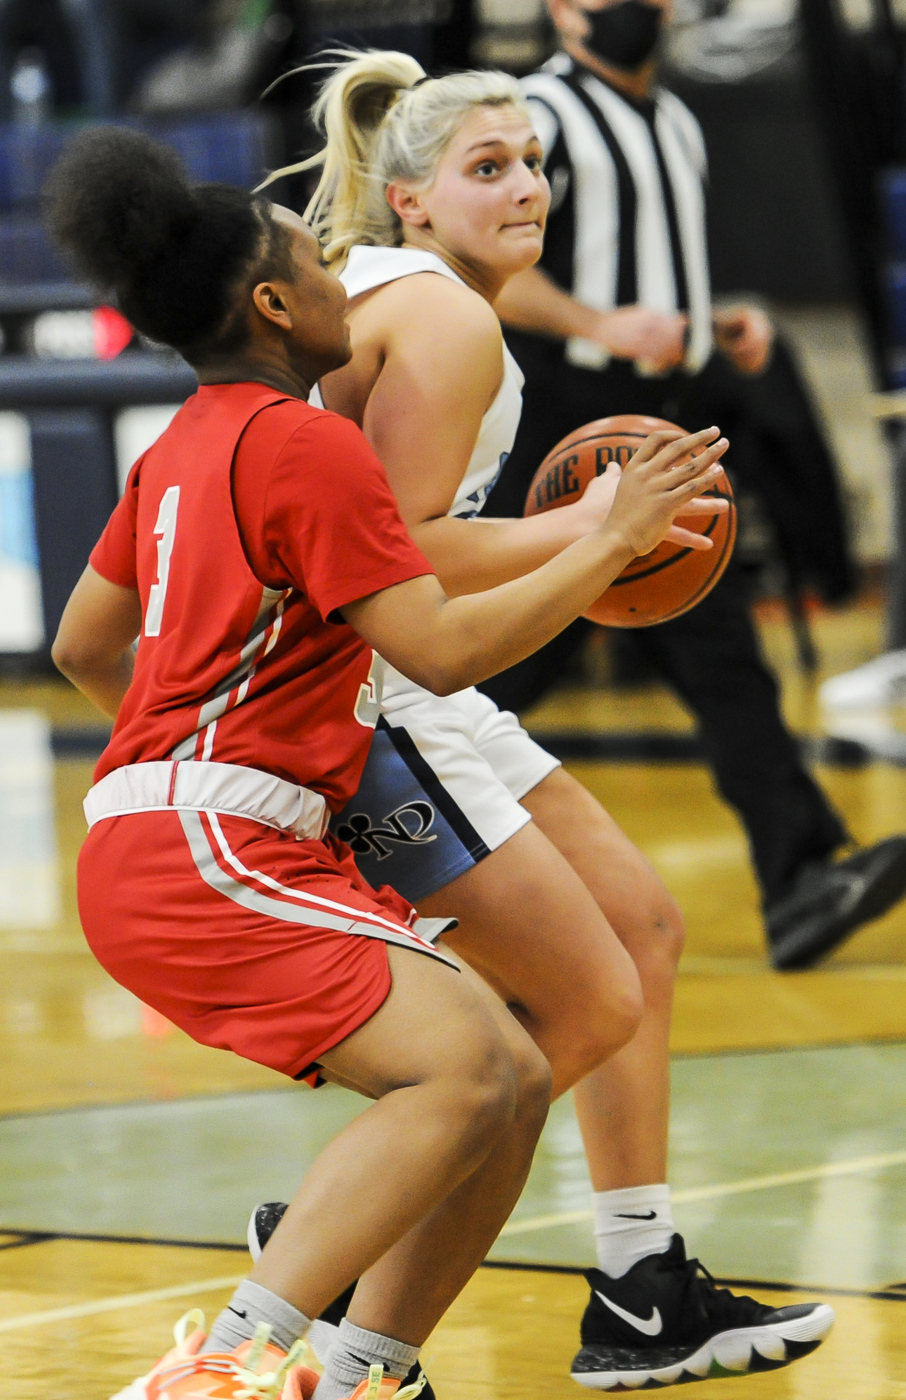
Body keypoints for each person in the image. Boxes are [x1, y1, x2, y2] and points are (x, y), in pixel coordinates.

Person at [46, 125, 724, 1400]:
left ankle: (363, 1371)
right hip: (210, 842)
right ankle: (230, 1362)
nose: (341, 283)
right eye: (319, 262)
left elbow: (85, 638)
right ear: (272, 303)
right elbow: (444, 650)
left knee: (512, 1069)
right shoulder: (308, 442)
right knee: (471, 1061)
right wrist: (603, 539)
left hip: (171, 831)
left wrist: (194, 742)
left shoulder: (181, 446)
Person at [248, 51, 833, 1393]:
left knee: (640, 929)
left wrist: (573, 540)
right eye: (489, 168)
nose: (529, 188)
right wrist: (584, 530)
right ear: (409, 200)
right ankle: (342, 1258)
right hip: (369, 689)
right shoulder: (442, 321)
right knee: (566, 1011)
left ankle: (635, 1282)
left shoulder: (412, 297)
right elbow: (386, 559)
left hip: (407, 681)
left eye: (534, 163)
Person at [481, 0, 906, 974]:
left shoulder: (675, 117)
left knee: (721, 655)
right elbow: (494, 276)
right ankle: (385, 839)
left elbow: (662, 277)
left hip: (662, 419)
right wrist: (602, 319)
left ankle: (801, 879)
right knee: (506, 662)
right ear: (558, 10)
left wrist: (720, 322)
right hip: (567, 419)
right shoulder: (535, 116)